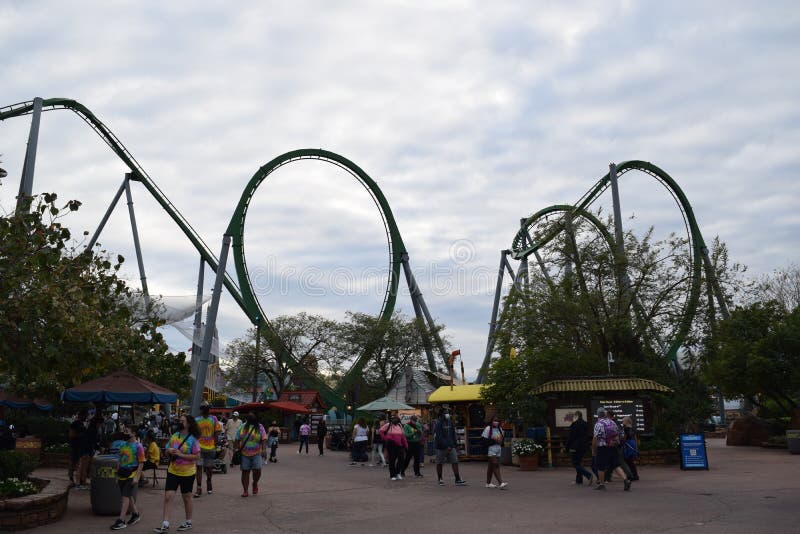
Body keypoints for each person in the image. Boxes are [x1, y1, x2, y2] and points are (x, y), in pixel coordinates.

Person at [153, 414, 200, 533]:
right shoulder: (174, 436)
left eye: (182, 421)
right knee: (168, 496)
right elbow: (167, 450)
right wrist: (169, 451)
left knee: (187, 497)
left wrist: (181, 454)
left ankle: (188, 521)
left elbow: (197, 456)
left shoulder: (193, 439)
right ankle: (165, 523)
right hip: (173, 471)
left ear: (188, 424)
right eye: (180, 421)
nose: (180, 423)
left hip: (188, 473)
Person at [110, 426, 145, 530]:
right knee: (128, 495)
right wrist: (117, 475)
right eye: (124, 431)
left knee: (125, 496)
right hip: (122, 474)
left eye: (127, 431)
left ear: (133, 433)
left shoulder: (138, 446)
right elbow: (119, 460)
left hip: (131, 474)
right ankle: (135, 514)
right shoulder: (123, 445)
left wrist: (137, 477)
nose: (124, 433)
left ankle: (121, 520)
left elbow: (141, 463)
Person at [592, 407, 632, 491]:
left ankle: (602, 485)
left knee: (600, 466)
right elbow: (617, 434)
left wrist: (594, 449)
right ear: (605, 414)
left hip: (602, 448)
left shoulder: (598, 424)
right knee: (616, 465)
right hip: (612, 446)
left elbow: (596, 438)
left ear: (598, 415)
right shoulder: (612, 422)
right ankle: (626, 480)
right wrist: (615, 443)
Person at [235, 413, 267, 498]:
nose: (251, 417)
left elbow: (264, 439)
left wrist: (264, 450)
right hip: (244, 454)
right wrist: (238, 449)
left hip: (257, 453)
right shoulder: (242, 426)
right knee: (245, 472)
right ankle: (245, 490)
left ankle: (255, 483)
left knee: (257, 470)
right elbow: (237, 438)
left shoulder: (260, 427)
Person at [193, 403, 221, 497]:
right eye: (202, 409)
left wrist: (215, 444)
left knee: (209, 468)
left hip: (210, 448)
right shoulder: (197, 420)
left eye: (204, 409)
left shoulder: (214, 419)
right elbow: (194, 433)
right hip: (199, 448)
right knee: (199, 467)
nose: (203, 410)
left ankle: (209, 481)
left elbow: (217, 432)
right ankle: (199, 487)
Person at [433, 408, 466, 486]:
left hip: (451, 446)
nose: (447, 414)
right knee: (440, 462)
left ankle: (457, 479)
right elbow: (439, 437)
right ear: (441, 415)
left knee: (455, 461)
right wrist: (446, 446)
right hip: (441, 447)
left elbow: (453, 434)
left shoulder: (450, 422)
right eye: (445, 413)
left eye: (448, 413)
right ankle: (440, 478)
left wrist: (455, 444)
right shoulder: (438, 423)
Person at [566, 410, 593, 486]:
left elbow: (571, 437)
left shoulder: (574, 424)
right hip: (583, 447)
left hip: (575, 446)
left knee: (575, 464)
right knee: (578, 462)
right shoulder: (585, 424)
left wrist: (567, 447)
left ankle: (588, 475)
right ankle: (579, 480)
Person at [482, 416, 507, 489]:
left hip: (498, 448)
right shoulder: (488, 428)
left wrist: (500, 440)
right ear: (492, 421)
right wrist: (494, 440)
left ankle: (488, 483)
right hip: (491, 448)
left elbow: (502, 440)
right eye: (495, 420)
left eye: (498, 420)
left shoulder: (500, 429)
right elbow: (484, 440)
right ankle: (501, 483)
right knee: (495, 465)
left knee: (491, 467)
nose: (496, 422)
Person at [380, 416, 408, 481]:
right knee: (392, 459)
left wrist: (406, 444)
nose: (395, 421)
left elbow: (403, 436)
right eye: (394, 419)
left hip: (399, 445)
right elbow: (381, 431)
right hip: (391, 445)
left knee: (401, 459)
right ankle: (392, 475)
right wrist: (386, 438)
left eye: (397, 420)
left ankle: (397, 473)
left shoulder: (400, 426)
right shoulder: (388, 425)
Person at [68, 409, 88, 489]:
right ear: (81, 415)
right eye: (85, 416)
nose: (86, 417)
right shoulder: (75, 423)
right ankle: (72, 479)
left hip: (80, 446)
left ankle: (74, 479)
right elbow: (71, 435)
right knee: (75, 463)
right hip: (75, 446)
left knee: (76, 463)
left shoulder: (81, 424)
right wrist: (80, 435)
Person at [622, 416, 640, 481]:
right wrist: (636, 447)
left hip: (628, 444)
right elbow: (635, 438)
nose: (622, 422)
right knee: (630, 461)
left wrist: (621, 442)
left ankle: (632, 475)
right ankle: (634, 474)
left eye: (623, 421)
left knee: (628, 460)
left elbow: (624, 438)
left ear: (626, 421)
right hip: (633, 443)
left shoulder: (625, 429)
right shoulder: (633, 429)